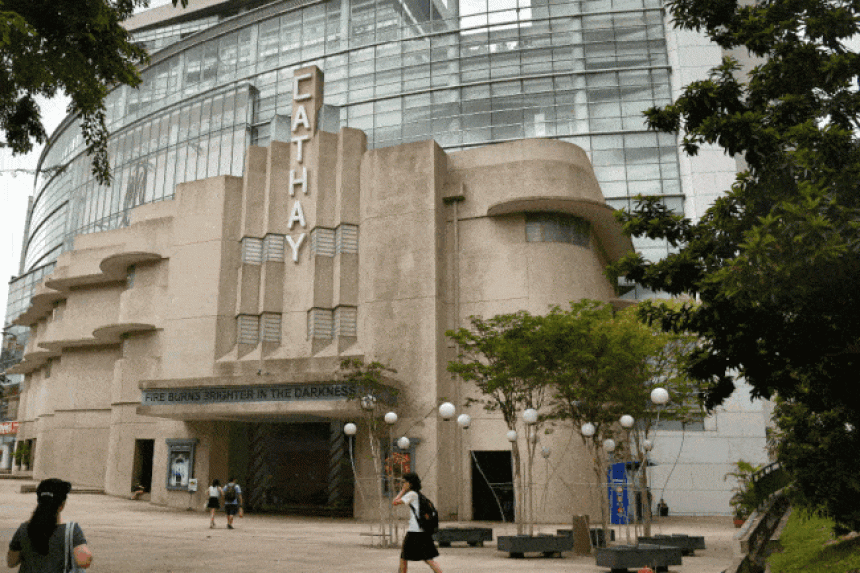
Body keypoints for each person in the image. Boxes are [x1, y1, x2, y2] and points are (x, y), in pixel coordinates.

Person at [6, 478, 93, 572]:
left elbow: (11, 562)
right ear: (62, 505)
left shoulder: (24, 529)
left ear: (39, 501)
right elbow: (83, 561)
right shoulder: (71, 531)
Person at [392, 472, 442, 573]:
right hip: (421, 530)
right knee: (427, 558)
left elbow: (395, 502)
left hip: (414, 532)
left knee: (405, 556)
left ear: (410, 483)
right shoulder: (418, 495)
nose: (403, 484)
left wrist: (402, 491)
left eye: (404, 482)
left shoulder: (412, 494)